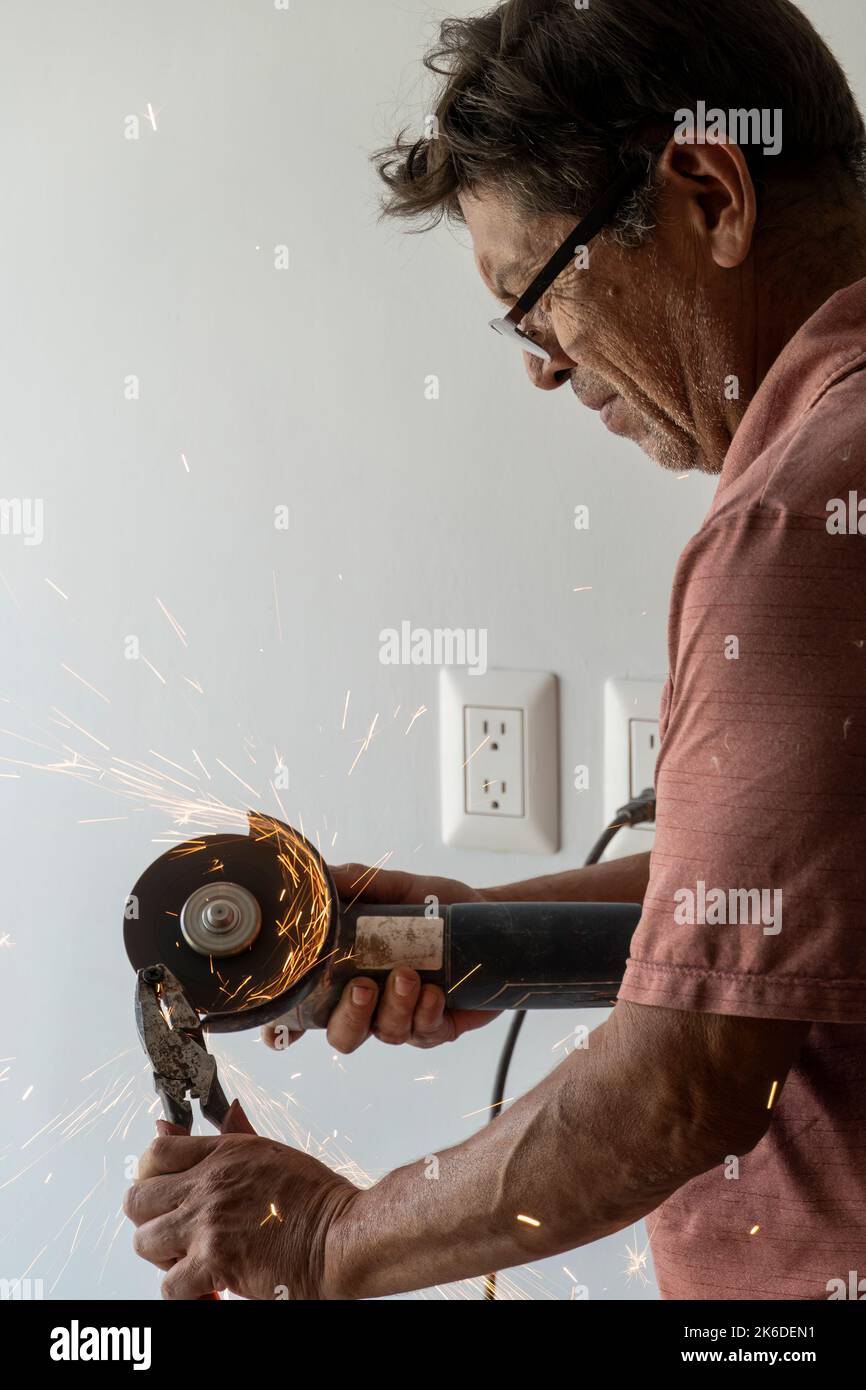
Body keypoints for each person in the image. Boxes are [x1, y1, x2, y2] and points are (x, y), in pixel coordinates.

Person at [125, 0, 866, 1300]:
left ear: (707, 192)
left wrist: (326, 1240)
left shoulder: (799, 521)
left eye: (536, 298)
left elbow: (683, 1085)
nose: (539, 369)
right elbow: (784, 910)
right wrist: (472, 933)